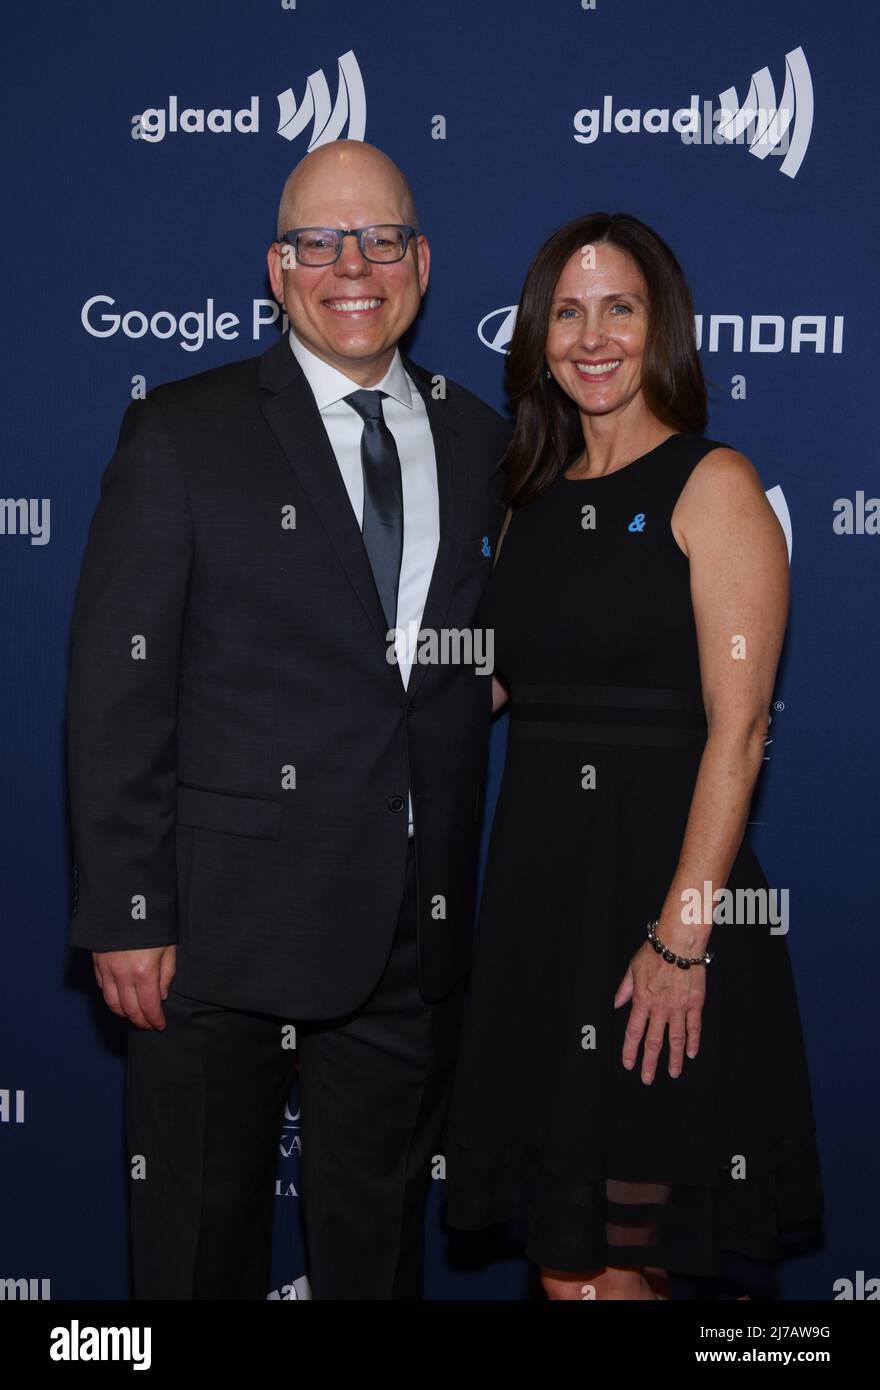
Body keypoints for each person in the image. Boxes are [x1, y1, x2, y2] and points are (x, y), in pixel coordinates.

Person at [66, 140, 509, 1299]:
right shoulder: (182, 431)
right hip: (216, 938)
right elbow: (118, 685)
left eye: (380, 238)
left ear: (422, 259)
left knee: (374, 1262)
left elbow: (476, 654)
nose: (350, 265)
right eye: (319, 241)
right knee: (195, 1261)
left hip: (412, 939)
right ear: (276, 268)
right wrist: (127, 908)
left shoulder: (481, 440)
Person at [441, 212, 823, 1300]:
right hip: (538, 907)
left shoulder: (715, 485)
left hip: (659, 908)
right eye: (567, 310)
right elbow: (496, 682)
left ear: (663, 329)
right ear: (537, 332)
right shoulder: (529, 497)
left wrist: (681, 938)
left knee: (616, 1272)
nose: (591, 335)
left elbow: (739, 730)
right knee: (567, 1266)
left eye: (620, 308)